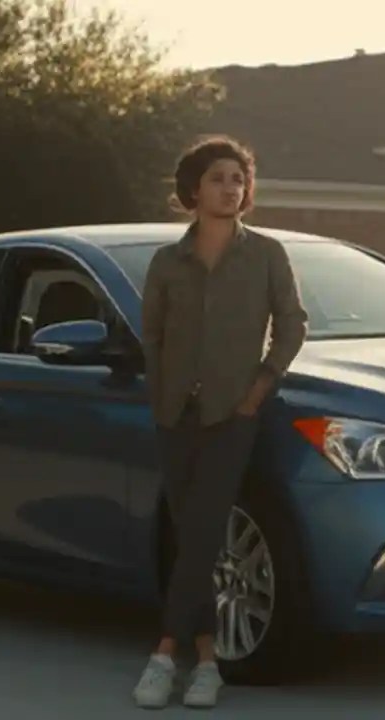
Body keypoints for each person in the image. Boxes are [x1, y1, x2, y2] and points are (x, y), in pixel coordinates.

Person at [131, 135, 308, 709]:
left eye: (238, 178)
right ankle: (207, 664)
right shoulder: (167, 263)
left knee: (203, 529)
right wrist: (161, 393)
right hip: (174, 415)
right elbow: (151, 335)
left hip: (234, 417)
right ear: (193, 190)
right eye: (218, 178)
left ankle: (162, 655)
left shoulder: (266, 256)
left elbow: (292, 327)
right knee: (194, 540)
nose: (231, 187)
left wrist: (257, 392)